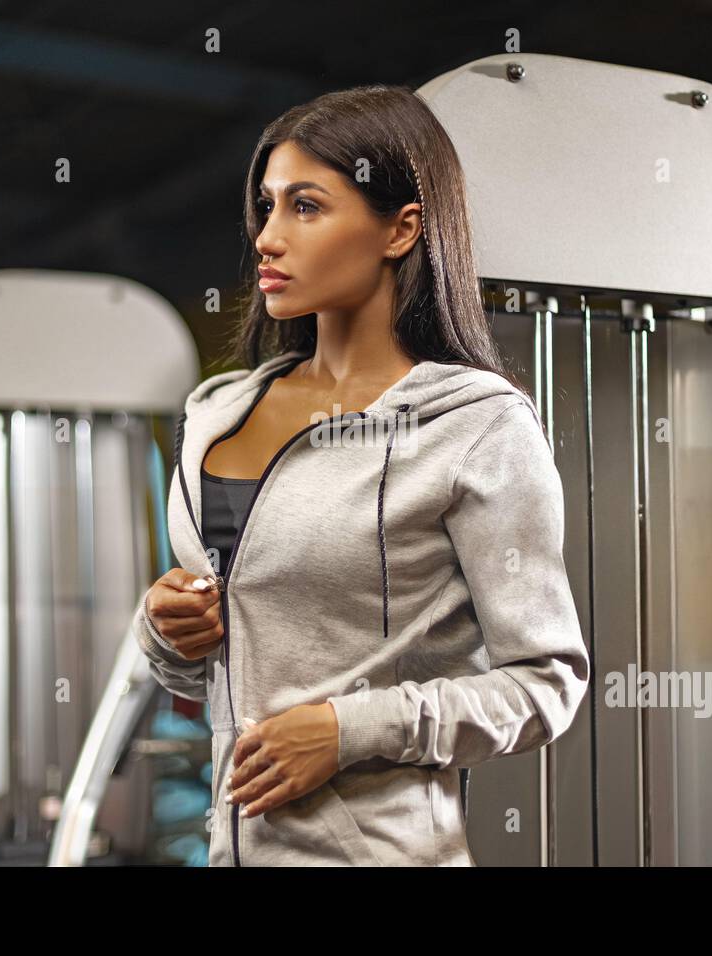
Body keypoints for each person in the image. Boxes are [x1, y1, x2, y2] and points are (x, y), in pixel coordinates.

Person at [134, 84, 589, 866]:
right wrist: (164, 626)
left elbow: (545, 682)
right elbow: (206, 662)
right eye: (267, 207)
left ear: (401, 228)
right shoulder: (217, 413)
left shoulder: (476, 426)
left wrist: (350, 731)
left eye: (306, 207)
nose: (268, 239)